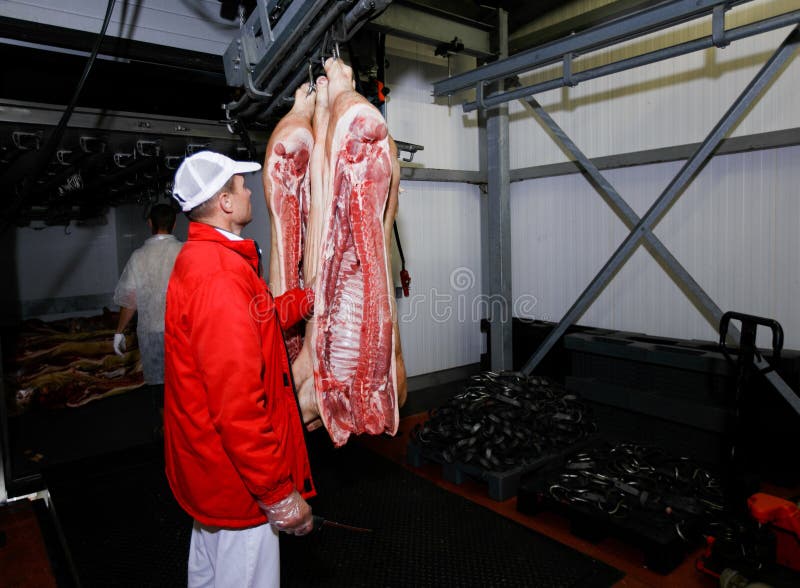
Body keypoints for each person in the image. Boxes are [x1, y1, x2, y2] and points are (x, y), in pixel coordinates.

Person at [164, 150, 316, 587]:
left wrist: (307, 300)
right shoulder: (219, 277)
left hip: (209, 473)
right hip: (236, 486)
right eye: (240, 185)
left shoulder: (210, 261)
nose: (249, 190)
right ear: (225, 203)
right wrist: (277, 494)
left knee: (211, 576)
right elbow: (236, 408)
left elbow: (258, 315)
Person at [113, 203, 182, 435]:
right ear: (174, 223)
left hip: (152, 332)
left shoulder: (139, 257)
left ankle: (166, 427)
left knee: (159, 384)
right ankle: (185, 428)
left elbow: (130, 298)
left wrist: (119, 331)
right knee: (184, 382)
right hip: (182, 331)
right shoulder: (185, 252)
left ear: (150, 224)